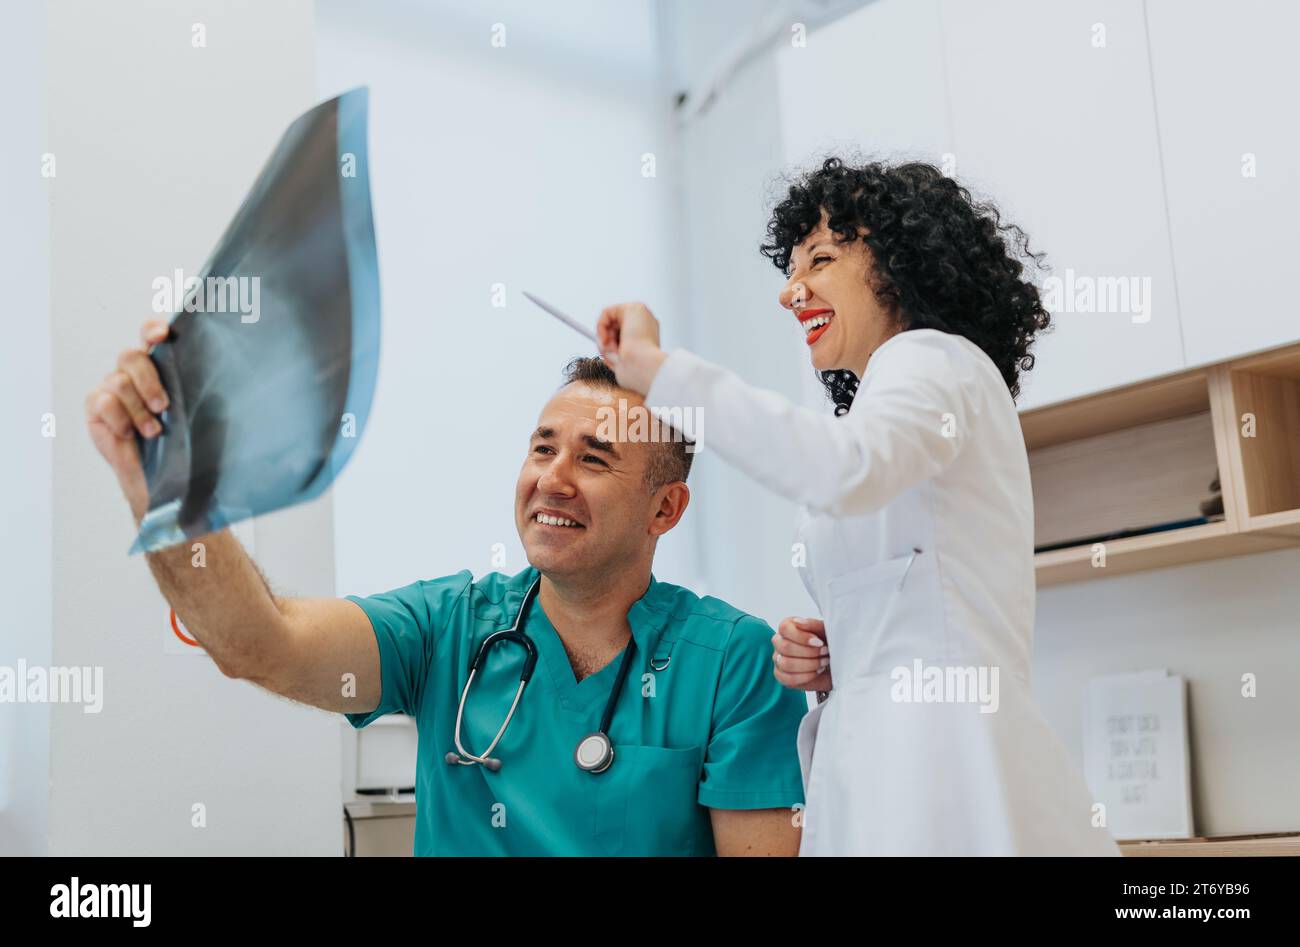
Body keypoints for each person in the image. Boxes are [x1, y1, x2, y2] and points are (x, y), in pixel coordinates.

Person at [86, 320, 808, 856]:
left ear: (665, 509)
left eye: (594, 458)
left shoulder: (737, 662)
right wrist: (166, 483)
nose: (551, 478)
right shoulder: (448, 626)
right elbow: (258, 642)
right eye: (542, 447)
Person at [596, 157, 1121, 856]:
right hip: (885, 764)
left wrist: (661, 373)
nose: (791, 292)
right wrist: (845, 650)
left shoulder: (932, 359)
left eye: (821, 258)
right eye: (789, 270)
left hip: (940, 769)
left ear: (901, 264)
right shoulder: (898, 395)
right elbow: (923, 584)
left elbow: (842, 471)